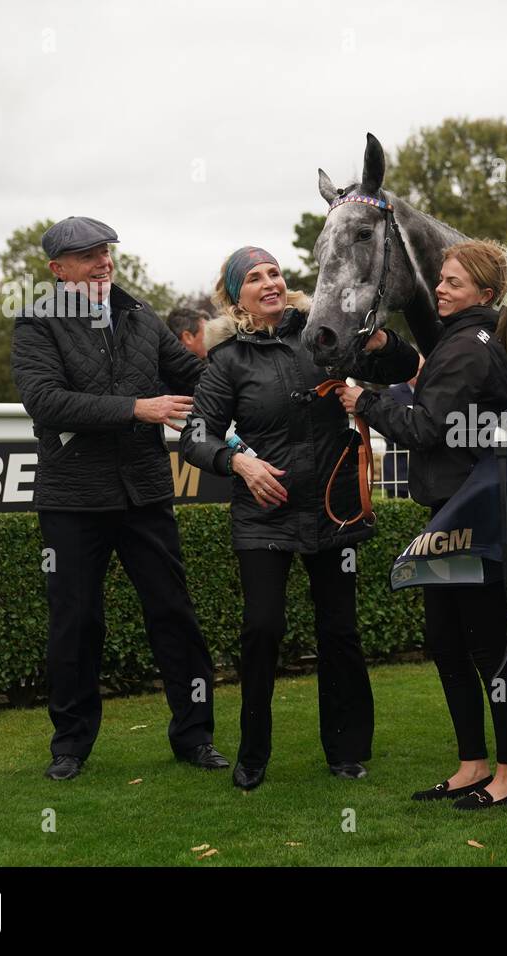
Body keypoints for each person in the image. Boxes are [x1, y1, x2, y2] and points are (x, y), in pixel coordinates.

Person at [179, 246, 417, 790]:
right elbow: (196, 436)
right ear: (235, 296)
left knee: (340, 631)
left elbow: (403, 367)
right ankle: (253, 752)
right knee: (262, 630)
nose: (270, 282)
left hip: (335, 508)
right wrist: (236, 461)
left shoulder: (326, 332)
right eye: (255, 278)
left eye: (275, 272)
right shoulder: (227, 361)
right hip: (264, 515)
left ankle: (346, 751)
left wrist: (378, 338)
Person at [11, 215, 227, 781]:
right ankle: (71, 745)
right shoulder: (35, 321)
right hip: (72, 500)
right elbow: (46, 402)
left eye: (106, 251)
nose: (103, 262)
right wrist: (139, 408)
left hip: (145, 493)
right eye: (88, 256)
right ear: (58, 270)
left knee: (174, 615)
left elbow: (193, 377)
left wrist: (254, 360)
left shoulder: (139, 315)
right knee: (76, 624)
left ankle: (195, 737)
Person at [337, 240, 507, 810]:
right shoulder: (459, 340)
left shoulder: (469, 347)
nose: (442, 288)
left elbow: (427, 429)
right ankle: (472, 764)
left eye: (454, 282)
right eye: (442, 279)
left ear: (485, 293)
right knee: (448, 645)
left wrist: (363, 401)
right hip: (451, 511)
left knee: (488, 649)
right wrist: (385, 353)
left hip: (475, 515)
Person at [378, 355, 424, 499]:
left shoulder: (431, 391)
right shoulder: (392, 394)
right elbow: (388, 428)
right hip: (398, 471)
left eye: (421, 369)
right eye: (415, 369)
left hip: (425, 474)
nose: (418, 374)